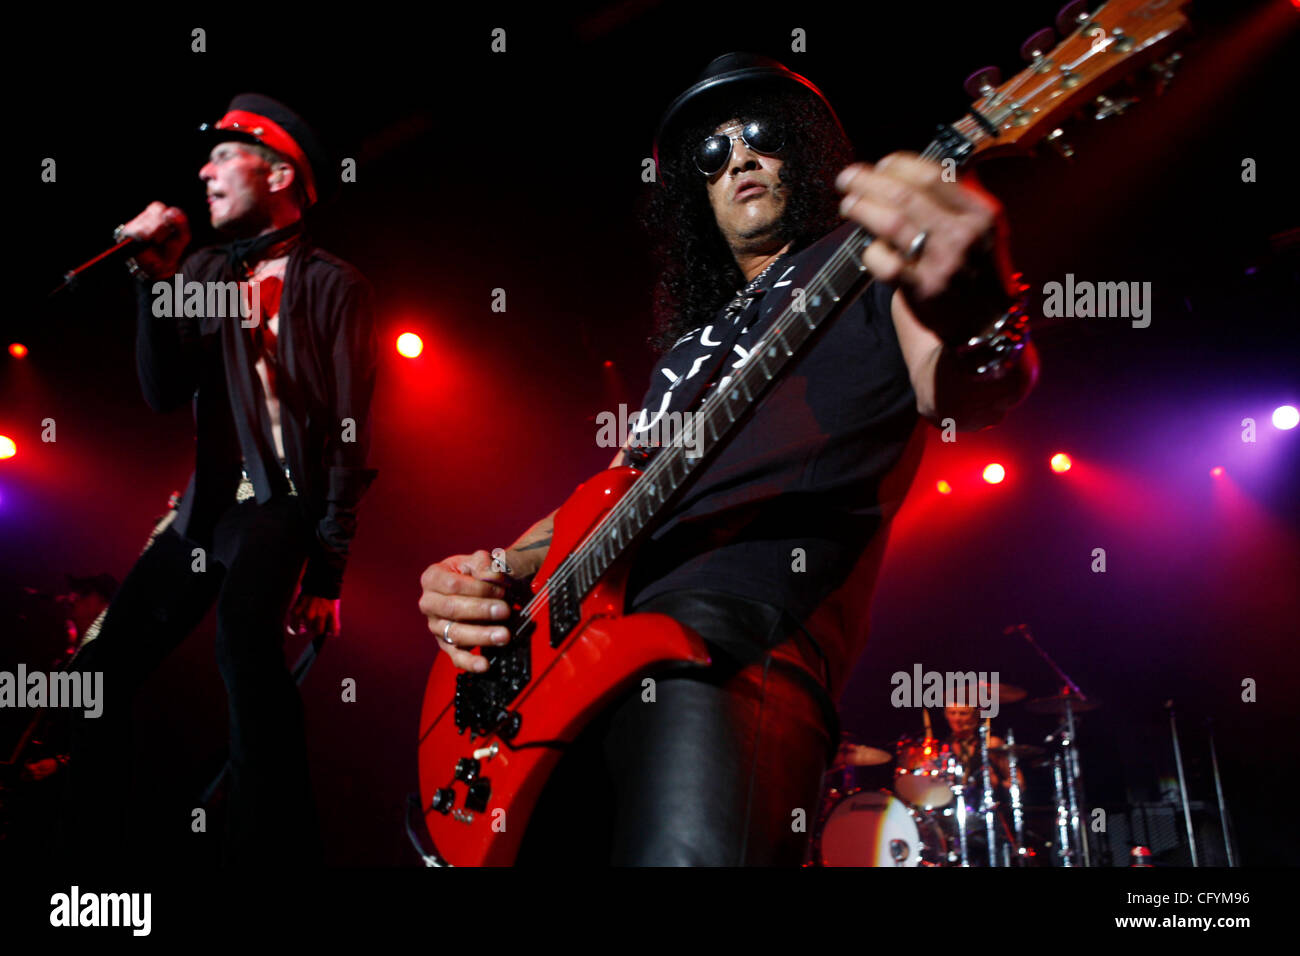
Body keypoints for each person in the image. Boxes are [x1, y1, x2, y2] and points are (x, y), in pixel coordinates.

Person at [418, 53, 1037, 865]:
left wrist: (984, 318)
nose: (738, 158)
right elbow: (607, 495)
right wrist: (488, 573)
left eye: (762, 137)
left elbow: (959, 392)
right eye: (712, 155)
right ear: (695, 196)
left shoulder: (871, 266)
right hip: (579, 672)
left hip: (735, 647)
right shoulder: (684, 349)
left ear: (805, 156)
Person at [63, 94, 378, 865]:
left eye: (223, 155)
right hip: (209, 509)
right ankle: (94, 866)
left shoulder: (334, 287)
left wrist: (329, 568)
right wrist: (152, 281)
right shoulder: (201, 269)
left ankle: (273, 851)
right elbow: (164, 392)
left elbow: (348, 436)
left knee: (243, 644)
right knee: (96, 673)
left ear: (276, 171)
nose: (202, 171)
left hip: (281, 506)